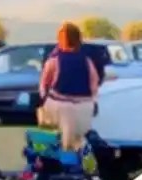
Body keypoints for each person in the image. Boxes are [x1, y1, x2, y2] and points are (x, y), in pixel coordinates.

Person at [38, 22, 99, 153]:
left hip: (59, 105)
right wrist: (93, 101)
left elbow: (44, 85)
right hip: (84, 106)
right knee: (79, 141)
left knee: (57, 139)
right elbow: (94, 83)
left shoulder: (54, 60)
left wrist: (43, 98)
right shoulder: (87, 61)